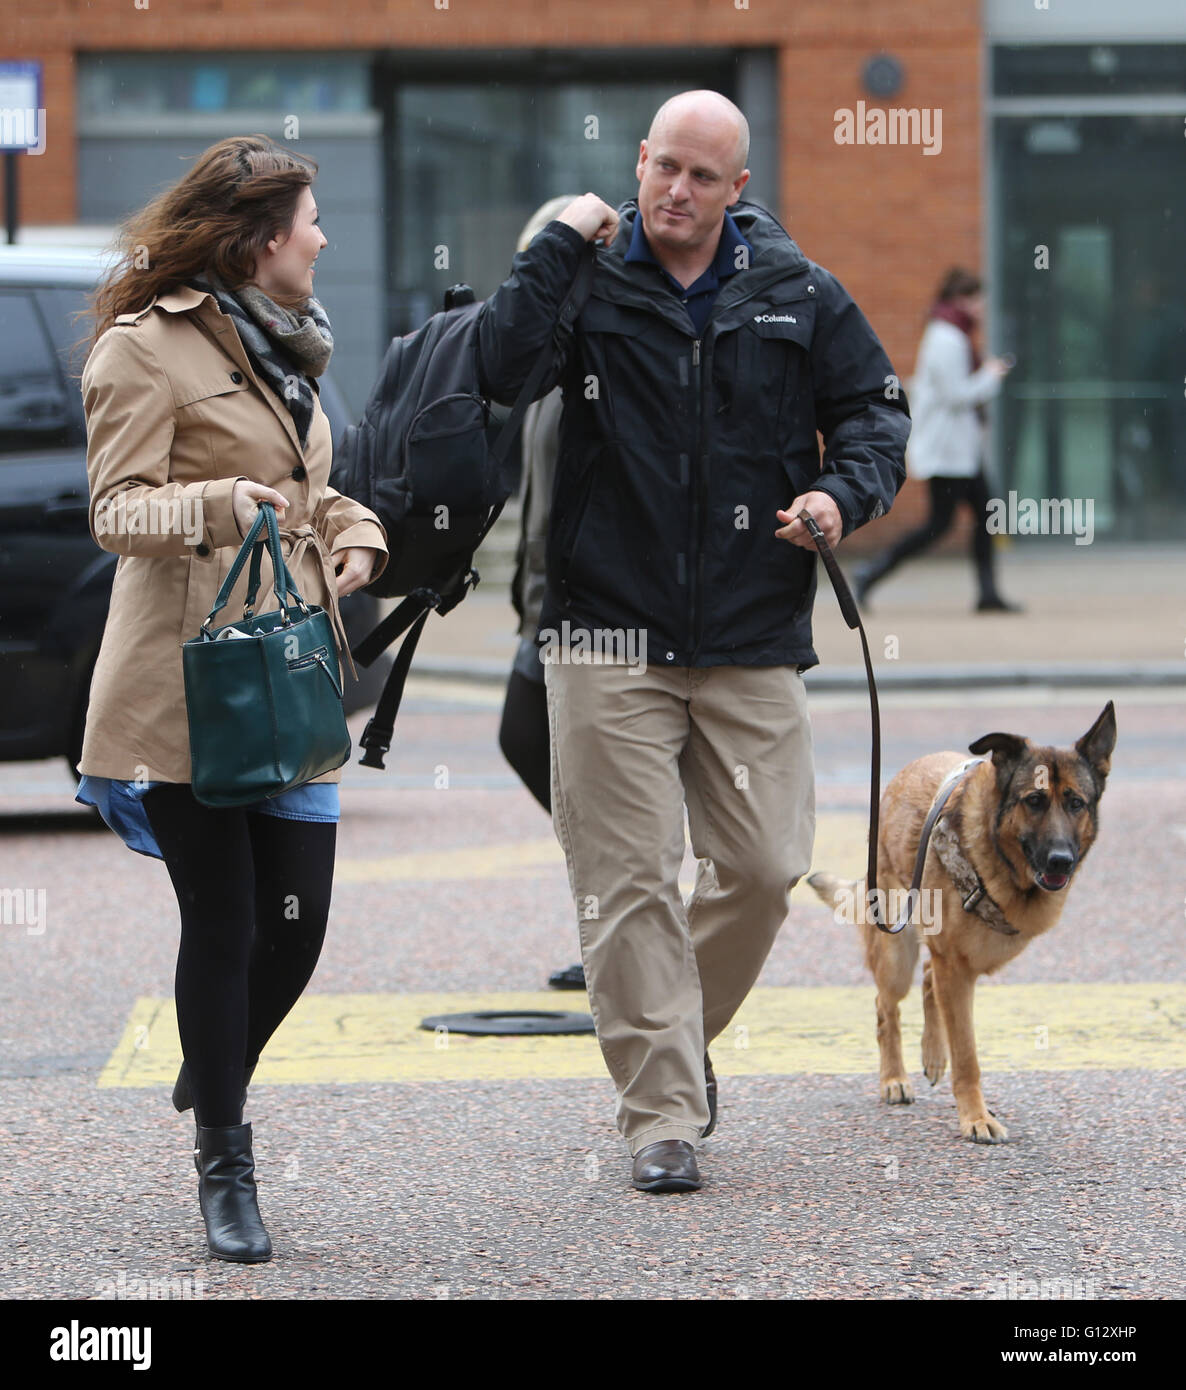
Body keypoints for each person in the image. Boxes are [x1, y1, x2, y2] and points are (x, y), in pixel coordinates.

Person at [477, 91, 909, 1192]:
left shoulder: (796, 293)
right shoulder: (580, 276)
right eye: (662, 166)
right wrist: (554, 247)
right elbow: (493, 369)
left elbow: (873, 410)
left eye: (700, 176)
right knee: (626, 883)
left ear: (737, 189)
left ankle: (671, 1046)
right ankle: (661, 1111)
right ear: (639, 160)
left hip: (751, 626)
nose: (674, 190)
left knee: (764, 868)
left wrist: (836, 493)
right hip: (602, 628)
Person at [76, 136, 388, 1260]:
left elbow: (316, 485)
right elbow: (115, 512)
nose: (321, 236)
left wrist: (355, 530)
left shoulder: (286, 347)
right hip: (185, 693)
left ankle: (209, 1061)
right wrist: (216, 503)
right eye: (309, 220)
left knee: (295, 936)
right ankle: (225, 1163)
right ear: (261, 238)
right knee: (226, 924)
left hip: (289, 680)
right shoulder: (141, 351)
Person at [496, 194, 588, 992]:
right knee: (531, 745)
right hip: (545, 606)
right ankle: (616, 922)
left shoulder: (588, 365)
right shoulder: (549, 364)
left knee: (533, 742)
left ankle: (627, 928)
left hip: (580, 614)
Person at [853, 267, 1016, 611]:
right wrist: (991, 376)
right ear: (961, 300)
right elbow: (957, 395)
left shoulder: (951, 334)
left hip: (961, 451)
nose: (983, 307)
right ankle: (871, 571)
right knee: (939, 525)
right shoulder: (947, 337)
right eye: (977, 300)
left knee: (986, 516)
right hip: (948, 451)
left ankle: (988, 594)